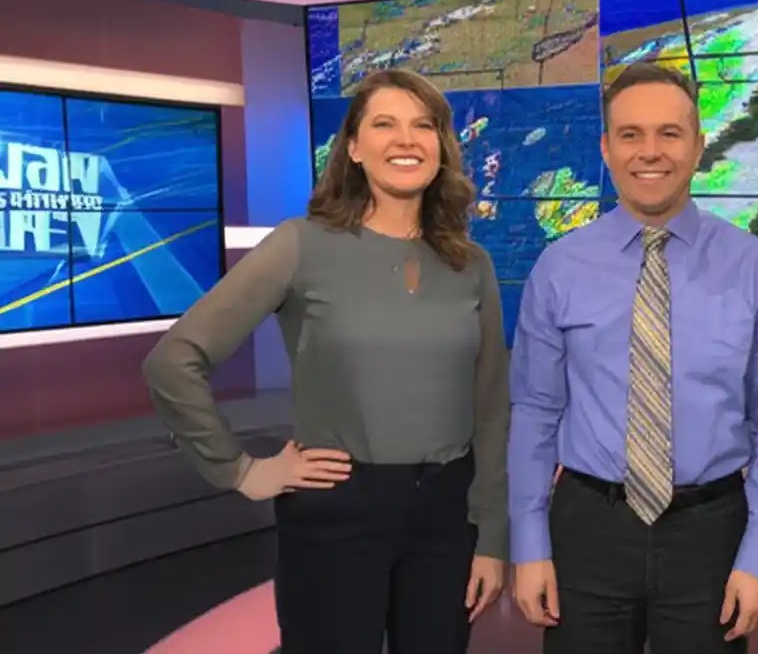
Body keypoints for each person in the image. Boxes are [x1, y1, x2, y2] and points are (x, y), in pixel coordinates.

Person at [142, 69, 510, 654]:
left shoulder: (473, 265)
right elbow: (173, 360)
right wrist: (241, 470)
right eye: (384, 124)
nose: (405, 140)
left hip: (448, 518)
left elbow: (491, 407)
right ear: (355, 148)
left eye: (423, 126)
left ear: (441, 147)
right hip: (338, 510)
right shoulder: (299, 245)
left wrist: (492, 534)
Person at [507, 62, 758, 654]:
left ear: (699, 146)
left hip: (713, 532)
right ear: (606, 148)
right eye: (631, 134)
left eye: (670, 134)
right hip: (587, 528)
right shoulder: (560, 268)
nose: (651, 152)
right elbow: (535, 413)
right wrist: (529, 542)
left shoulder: (756, 269)